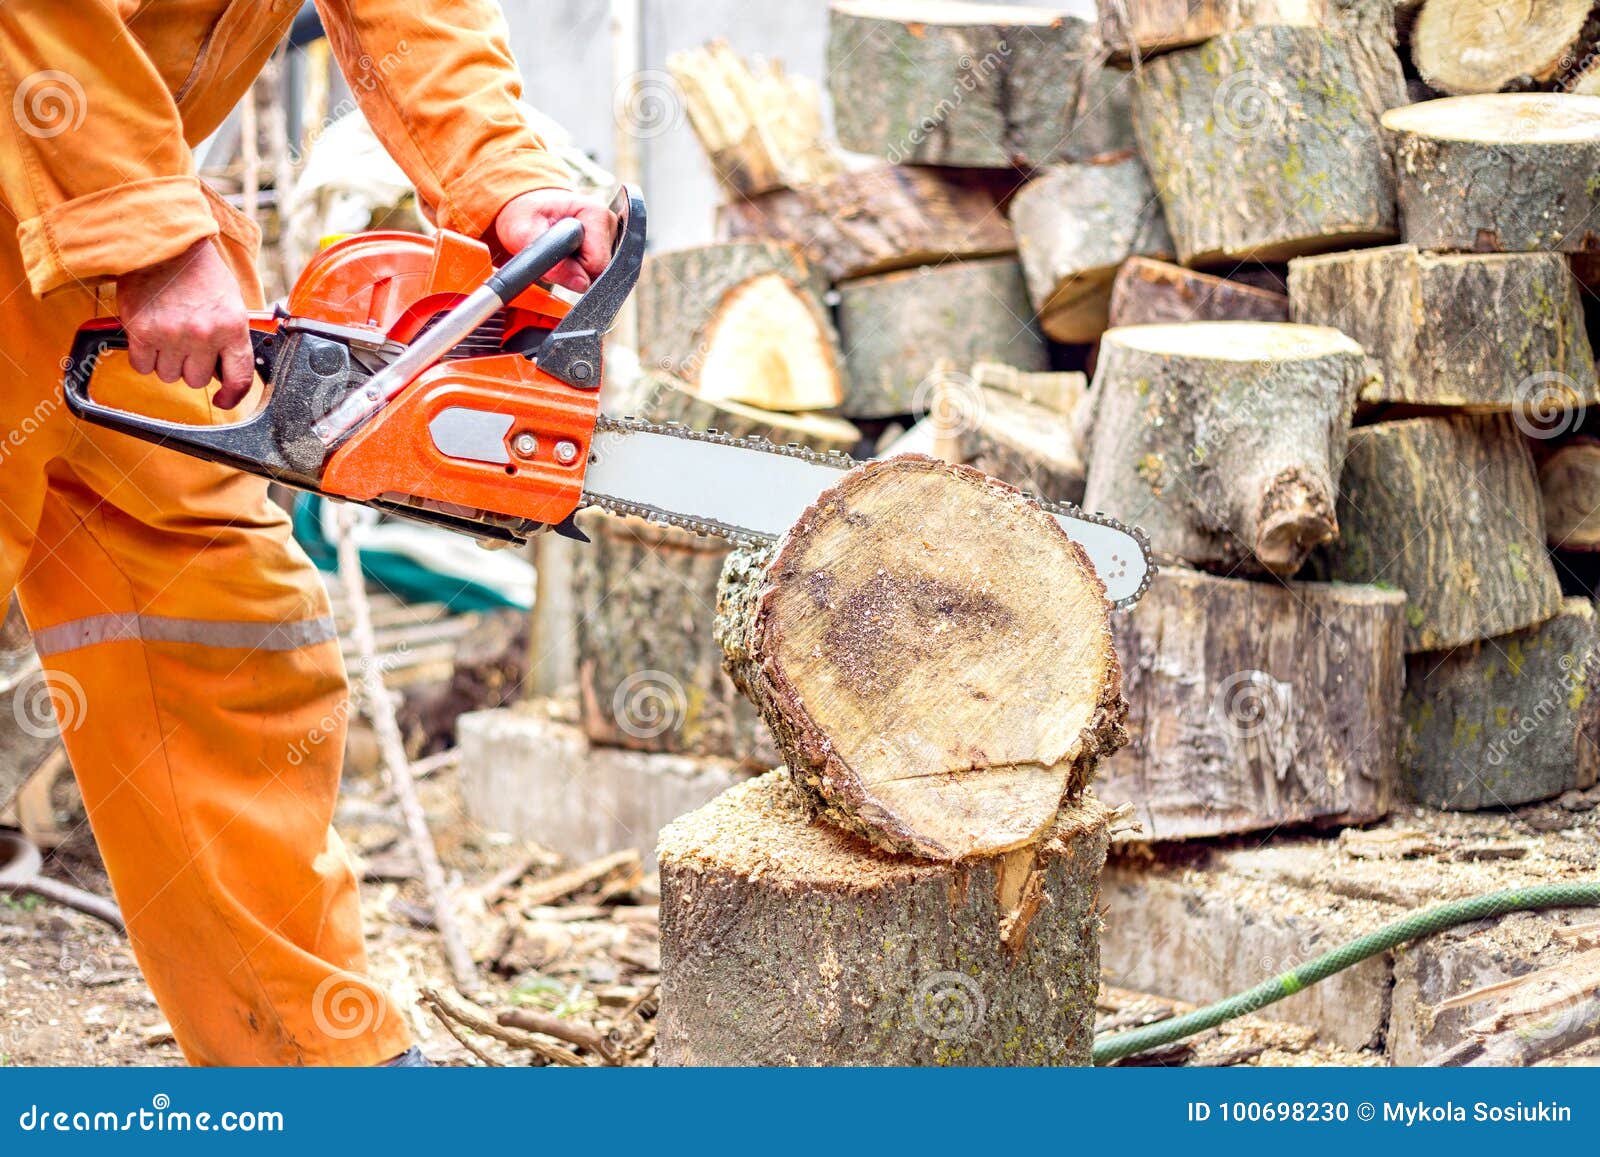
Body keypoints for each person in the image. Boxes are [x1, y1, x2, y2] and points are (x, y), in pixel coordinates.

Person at [0, 0, 616, 1065]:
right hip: (88, 199)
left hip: (74, 223)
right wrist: (145, 232)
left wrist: (502, 177)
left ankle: (316, 1074)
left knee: (217, 626)